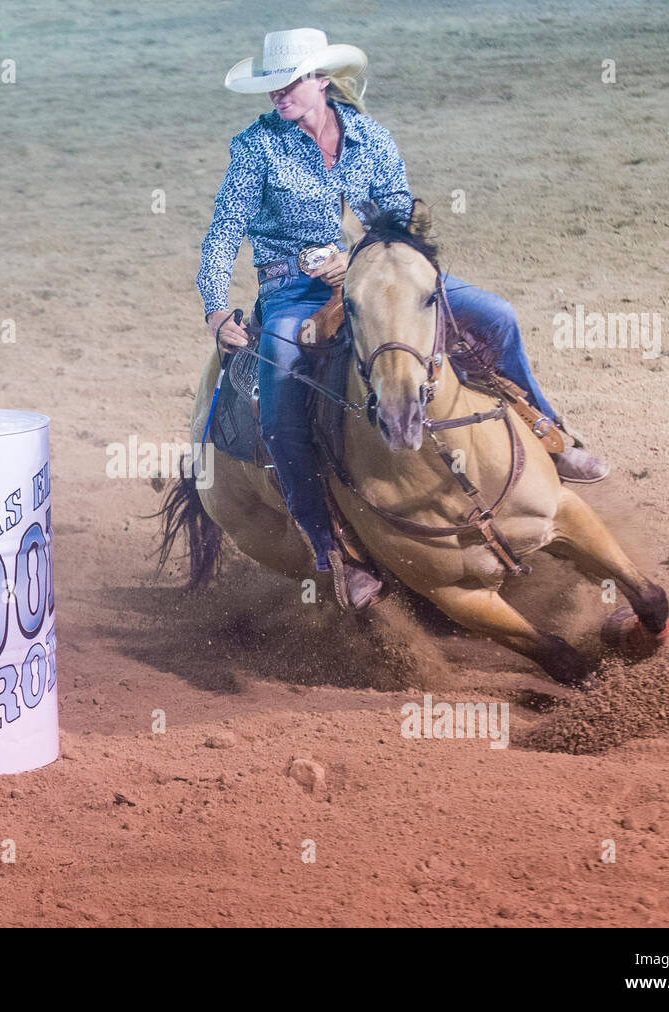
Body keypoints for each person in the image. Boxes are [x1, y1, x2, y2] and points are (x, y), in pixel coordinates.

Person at [196, 27, 609, 610]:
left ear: (321, 81)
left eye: (287, 83)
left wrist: (363, 258)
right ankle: (327, 548)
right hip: (293, 291)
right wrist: (217, 309)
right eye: (272, 87)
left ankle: (550, 433)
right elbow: (223, 232)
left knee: (494, 316)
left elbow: (399, 224)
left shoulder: (370, 137)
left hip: (378, 275)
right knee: (283, 387)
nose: (277, 96)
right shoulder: (254, 147)